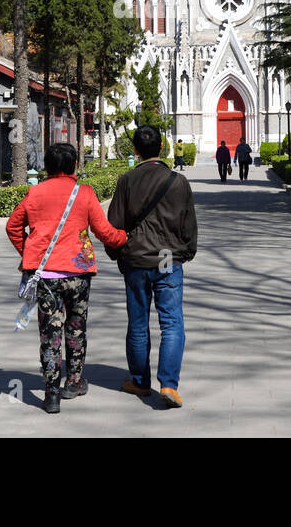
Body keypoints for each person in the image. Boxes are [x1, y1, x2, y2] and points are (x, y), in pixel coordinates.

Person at [7, 142, 127, 415]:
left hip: (46, 277)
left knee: (50, 335)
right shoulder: (83, 193)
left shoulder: (34, 193)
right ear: (73, 165)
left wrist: (29, 251)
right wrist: (124, 239)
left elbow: (12, 225)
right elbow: (104, 232)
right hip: (79, 274)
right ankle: (73, 382)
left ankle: (51, 396)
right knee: (76, 328)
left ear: (48, 166)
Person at [106, 125, 197, 408]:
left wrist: (117, 253)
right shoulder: (178, 181)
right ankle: (169, 384)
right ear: (161, 148)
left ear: (135, 150)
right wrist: (186, 253)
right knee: (171, 322)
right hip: (169, 258)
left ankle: (140, 381)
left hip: (136, 259)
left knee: (138, 322)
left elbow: (114, 224)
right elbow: (188, 224)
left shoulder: (126, 180)